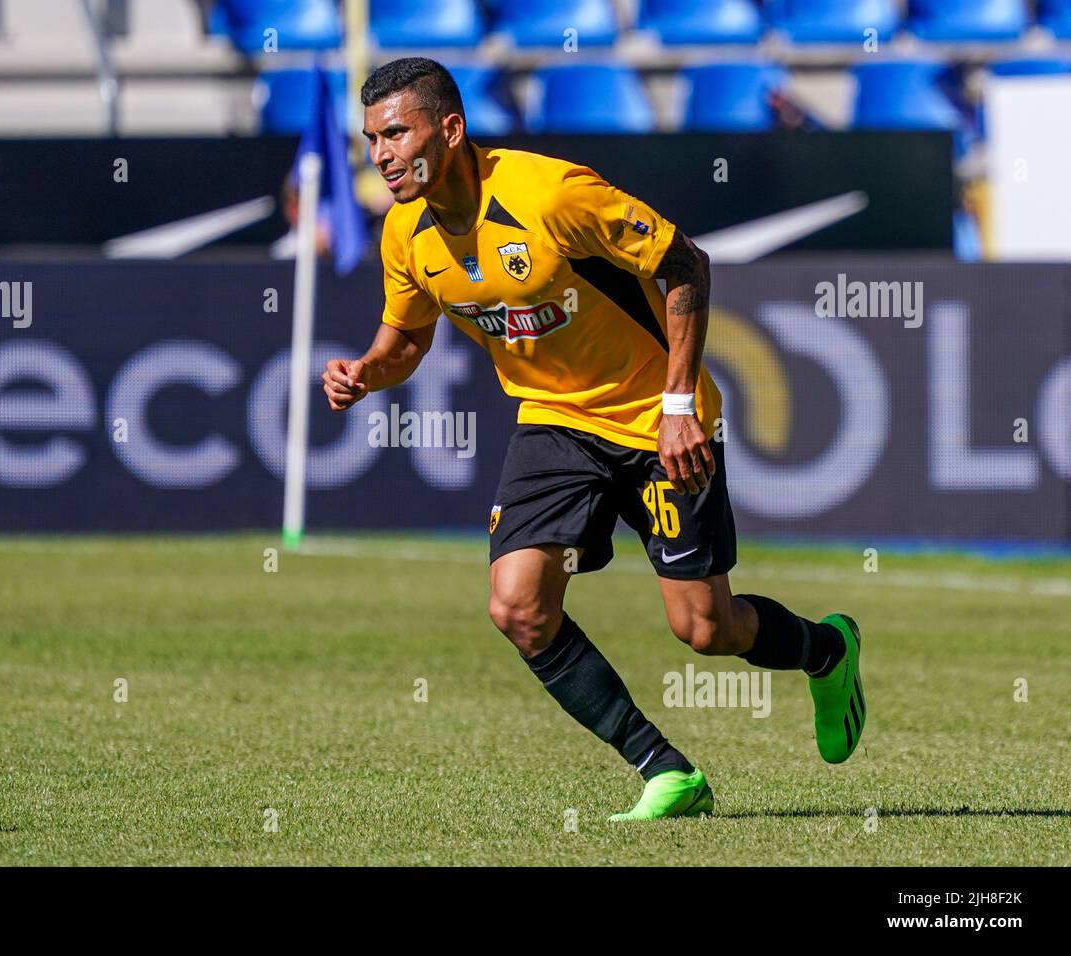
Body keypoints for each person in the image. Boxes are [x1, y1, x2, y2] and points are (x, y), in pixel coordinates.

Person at [322, 58, 866, 820]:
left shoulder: (551, 194)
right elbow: (405, 341)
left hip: (657, 419)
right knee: (517, 609)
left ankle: (827, 651)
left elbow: (685, 266)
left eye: (395, 133)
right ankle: (665, 769)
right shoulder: (404, 232)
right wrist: (365, 373)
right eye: (372, 138)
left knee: (706, 629)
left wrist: (679, 404)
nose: (381, 153)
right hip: (555, 422)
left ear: (449, 128)